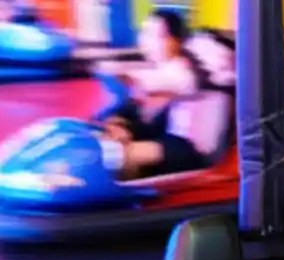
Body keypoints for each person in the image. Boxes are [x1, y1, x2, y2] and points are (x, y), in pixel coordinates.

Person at [96, 11, 235, 179]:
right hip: (174, 141)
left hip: (191, 150)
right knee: (111, 136)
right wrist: (117, 122)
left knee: (115, 157)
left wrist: (109, 71)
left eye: (152, 35)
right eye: (144, 33)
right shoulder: (175, 72)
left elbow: (132, 81)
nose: (144, 41)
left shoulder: (184, 71)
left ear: (172, 41)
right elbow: (138, 105)